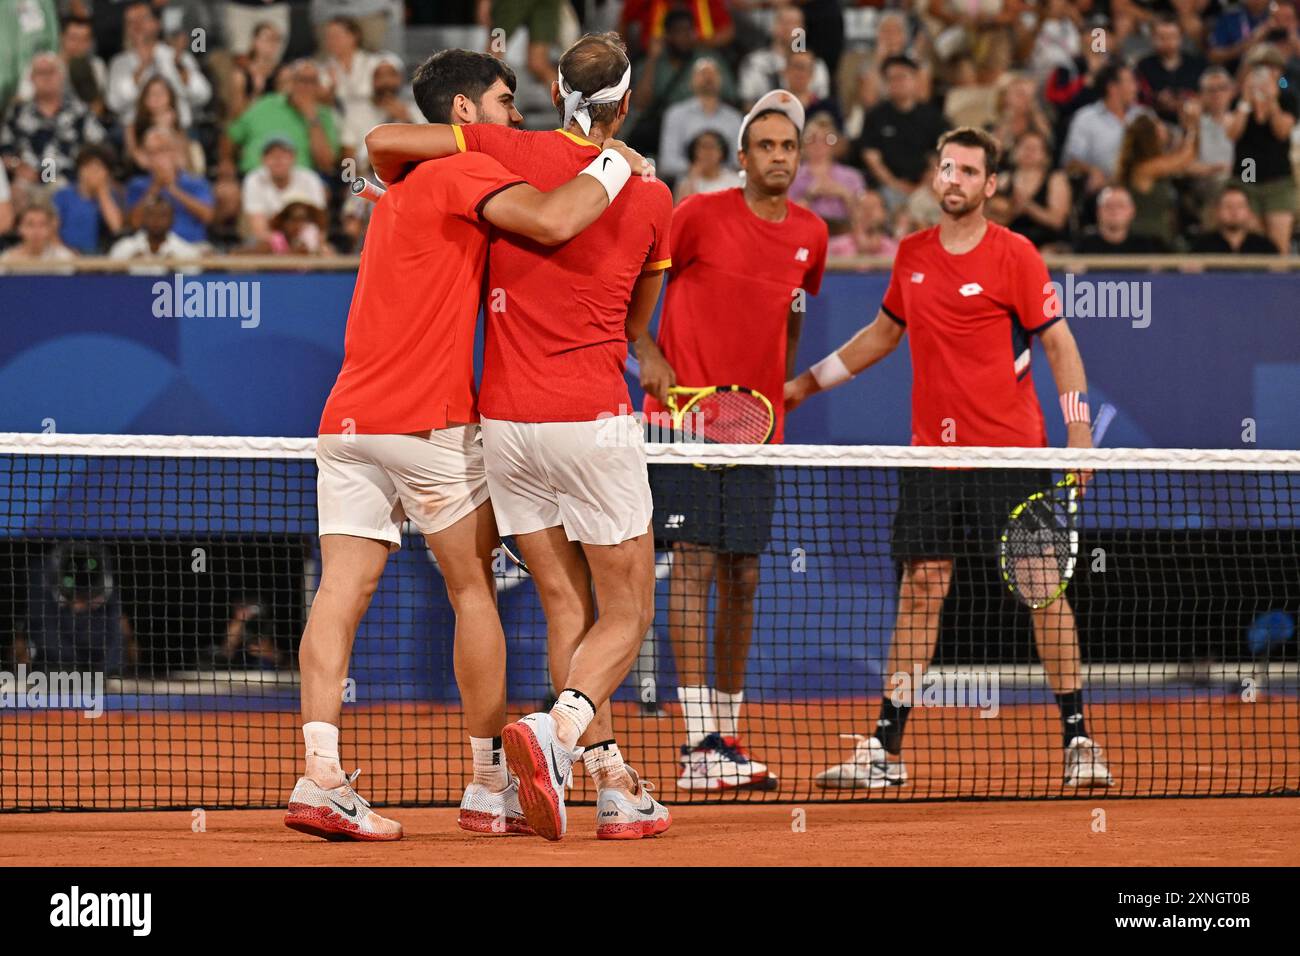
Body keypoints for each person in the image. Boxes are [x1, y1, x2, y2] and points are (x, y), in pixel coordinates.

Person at [283, 47, 642, 843]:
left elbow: (380, 143)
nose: (517, 117)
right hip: (429, 423)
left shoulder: (401, 189)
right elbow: (553, 220)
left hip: (346, 423)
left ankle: (320, 774)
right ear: (465, 115)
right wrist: (616, 162)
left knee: (340, 590)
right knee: (473, 589)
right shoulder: (465, 174)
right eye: (506, 103)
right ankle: (488, 787)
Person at [366, 32, 674, 843]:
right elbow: (639, 328)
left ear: (555, 90)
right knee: (629, 608)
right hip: (590, 419)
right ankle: (558, 733)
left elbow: (387, 147)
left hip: (504, 423)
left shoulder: (506, 148)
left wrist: (392, 186)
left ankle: (613, 788)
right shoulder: (652, 194)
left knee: (562, 601)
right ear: (627, 104)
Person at [786, 126, 1114, 792]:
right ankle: (885, 748)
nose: (954, 179)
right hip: (933, 458)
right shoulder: (910, 254)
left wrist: (1079, 434)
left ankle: (1079, 737)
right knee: (921, 591)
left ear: (990, 185)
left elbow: (1060, 347)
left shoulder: (1017, 256)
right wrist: (805, 383)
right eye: (946, 168)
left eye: (968, 170)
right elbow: (881, 335)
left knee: (1041, 591)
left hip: (1011, 455)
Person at [637, 89, 828, 793]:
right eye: (766, 146)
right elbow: (634, 287)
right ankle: (695, 744)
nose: (779, 157)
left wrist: (774, 391)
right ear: (742, 157)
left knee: (742, 573)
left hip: (753, 429)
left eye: (789, 147)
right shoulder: (695, 215)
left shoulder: (813, 233)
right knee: (691, 562)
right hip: (680, 422)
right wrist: (646, 354)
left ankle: (728, 729)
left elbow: (794, 314)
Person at [1225, 52, 1297, 253]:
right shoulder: (1239, 100)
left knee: (1279, 244)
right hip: (1247, 177)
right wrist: (1246, 102)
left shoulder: (1287, 98)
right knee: (1252, 242)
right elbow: (1232, 133)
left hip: (1277, 179)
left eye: (1272, 69)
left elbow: (1282, 132)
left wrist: (1272, 101)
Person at [858, 56, 949, 211]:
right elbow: (871, 157)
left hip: (927, 184)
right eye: (891, 78)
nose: (897, 82)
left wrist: (927, 182)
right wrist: (895, 184)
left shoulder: (933, 116)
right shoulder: (875, 116)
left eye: (902, 77)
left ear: (915, 80)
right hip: (887, 186)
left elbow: (945, 154)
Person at [0, 52, 106, 186]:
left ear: (62, 76)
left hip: (70, 183)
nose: (47, 77)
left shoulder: (79, 111)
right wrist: (16, 165)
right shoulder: (17, 112)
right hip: (28, 183)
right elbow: (5, 150)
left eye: (51, 71)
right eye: (41, 72)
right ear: (31, 78)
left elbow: (100, 146)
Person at [225, 59, 341, 176]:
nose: (304, 87)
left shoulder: (324, 115)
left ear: (318, 87)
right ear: (290, 82)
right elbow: (231, 136)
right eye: (299, 80)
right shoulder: (266, 103)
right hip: (254, 176)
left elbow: (326, 164)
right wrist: (226, 162)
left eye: (311, 81)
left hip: (298, 181)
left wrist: (311, 117)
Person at [105, 1, 211, 130]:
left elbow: (203, 96)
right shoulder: (119, 62)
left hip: (178, 131)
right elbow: (114, 104)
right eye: (130, 22)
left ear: (157, 24)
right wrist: (141, 68)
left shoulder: (178, 57)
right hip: (138, 135)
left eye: (142, 19)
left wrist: (179, 68)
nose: (136, 26)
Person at [1115, 104, 1200, 249]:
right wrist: (1194, 125)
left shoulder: (1151, 164)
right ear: (1149, 137)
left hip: (1161, 237)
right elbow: (1186, 157)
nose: (1164, 128)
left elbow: (1179, 152)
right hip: (1146, 240)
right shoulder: (1144, 168)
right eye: (1158, 126)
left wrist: (1187, 125)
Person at [1061, 62, 1146, 195]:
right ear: (1113, 88)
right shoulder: (1086, 118)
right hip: (1103, 191)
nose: (1136, 88)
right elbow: (1070, 162)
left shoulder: (1143, 114)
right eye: (1130, 82)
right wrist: (1091, 170)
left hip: (1142, 187)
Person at [657, 58, 743, 184]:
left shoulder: (734, 118)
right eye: (703, 73)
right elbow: (667, 162)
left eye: (713, 74)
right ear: (691, 81)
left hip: (727, 182)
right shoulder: (676, 114)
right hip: (689, 182)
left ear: (721, 80)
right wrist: (699, 169)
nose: (708, 78)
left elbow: (738, 161)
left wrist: (717, 172)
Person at [124, 127, 213, 244]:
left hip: (191, 246)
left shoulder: (196, 182)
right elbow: (135, 223)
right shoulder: (137, 185)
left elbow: (208, 217)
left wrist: (172, 189)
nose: (159, 158)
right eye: (152, 153)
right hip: (150, 250)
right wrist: (155, 187)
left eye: (163, 150)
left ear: (175, 153)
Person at [738, 3, 832, 109]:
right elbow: (748, 103)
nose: (788, 27)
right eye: (783, 22)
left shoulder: (817, 65)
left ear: (803, 29)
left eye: (795, 23)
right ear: (772, 27)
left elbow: (822, 105)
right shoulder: (754, 62)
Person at [790, 112, 866, 235]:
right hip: (805, 235)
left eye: (827, 139)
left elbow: (863, 220)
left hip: (845, 237)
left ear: (836, 144)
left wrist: (845, 195)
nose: (819, 145)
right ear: (802, 144)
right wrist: (809, 196)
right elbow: (786, 218)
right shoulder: (792, 176)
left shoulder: (852, 177)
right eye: (812, 139)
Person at [241, 137, 328, 241]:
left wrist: (312, 243)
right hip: (267, 240)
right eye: (272, 155)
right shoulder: (254, 179)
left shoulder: (310, 179)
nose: (278, 160)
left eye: (283, 155)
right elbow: (258, 227)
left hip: (305, 238)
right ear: (263, 160)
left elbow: (319, 220)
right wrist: (280, 245)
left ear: (293, 158)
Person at [1001, 129, 1071, 248]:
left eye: (1035, 148)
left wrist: (1028, 207)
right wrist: (1011, 210)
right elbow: (992, 218)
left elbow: (1057, 221)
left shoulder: (1055, 180)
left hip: (1046, 242)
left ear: (1045, 155)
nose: (1029, 152)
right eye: (1025, 147)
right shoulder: (1003, 180)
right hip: (1010, 241)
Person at [52, 144, 125, 254]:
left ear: (107, 173)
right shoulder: (63, 195)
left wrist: (102, 192)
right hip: (65, 253)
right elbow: (51, 231)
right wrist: (67, 252)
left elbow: (117, 227)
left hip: (100, 256)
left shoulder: (113, 196)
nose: (92, 173)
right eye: (87, 167)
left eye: (98, 168)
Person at [1136, 16, 1207, 124]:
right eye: (1162, 37)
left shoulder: (1196, 64)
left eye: (1172, 37)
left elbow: (1206, 94)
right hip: (1156, 122)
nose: (1168, 42)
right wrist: (1157, 99)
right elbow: (1139, 98)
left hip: (1193, 120)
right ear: (1153, 39)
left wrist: (1187, 101)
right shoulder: (1144, 66)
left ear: (1180, 38)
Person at [1072, 185, 1170, 253]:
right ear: (1098, 211)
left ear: (1132, 211)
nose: (1114, 210)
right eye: (1108, 205)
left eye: (1120, 205)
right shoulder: (1083, 245)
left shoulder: (1147, 246)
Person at [108, 195, 205, 263]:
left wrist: (174, 269)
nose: (156, 220)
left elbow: (193, 278)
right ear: (144, 218)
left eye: (163, 216)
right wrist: (127, 266)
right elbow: (109, 273)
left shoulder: (185, 251)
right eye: (151, 215)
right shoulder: (124, 248)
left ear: (172, 220)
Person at [1191, 183, 1281, 252]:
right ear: (1217, 211)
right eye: (1228, 206)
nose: (1234, 212)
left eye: (1240, 206)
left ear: (1249, 211)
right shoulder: (1202, 247)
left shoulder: (1265, 247)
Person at [672, 129, 741, 202]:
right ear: (694, 152)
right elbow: (681, 209)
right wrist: (692, 178)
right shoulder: (685, 181)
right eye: (703, 147)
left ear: (722, 152)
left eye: (712, 147)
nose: (707, 152)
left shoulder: (735, 182)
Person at [0, 200, 75, 263]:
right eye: (30, 224)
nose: (36, 231)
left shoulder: (64, 258)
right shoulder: (7, 260)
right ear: (20, 228)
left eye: (42, 224)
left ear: (50, 228)